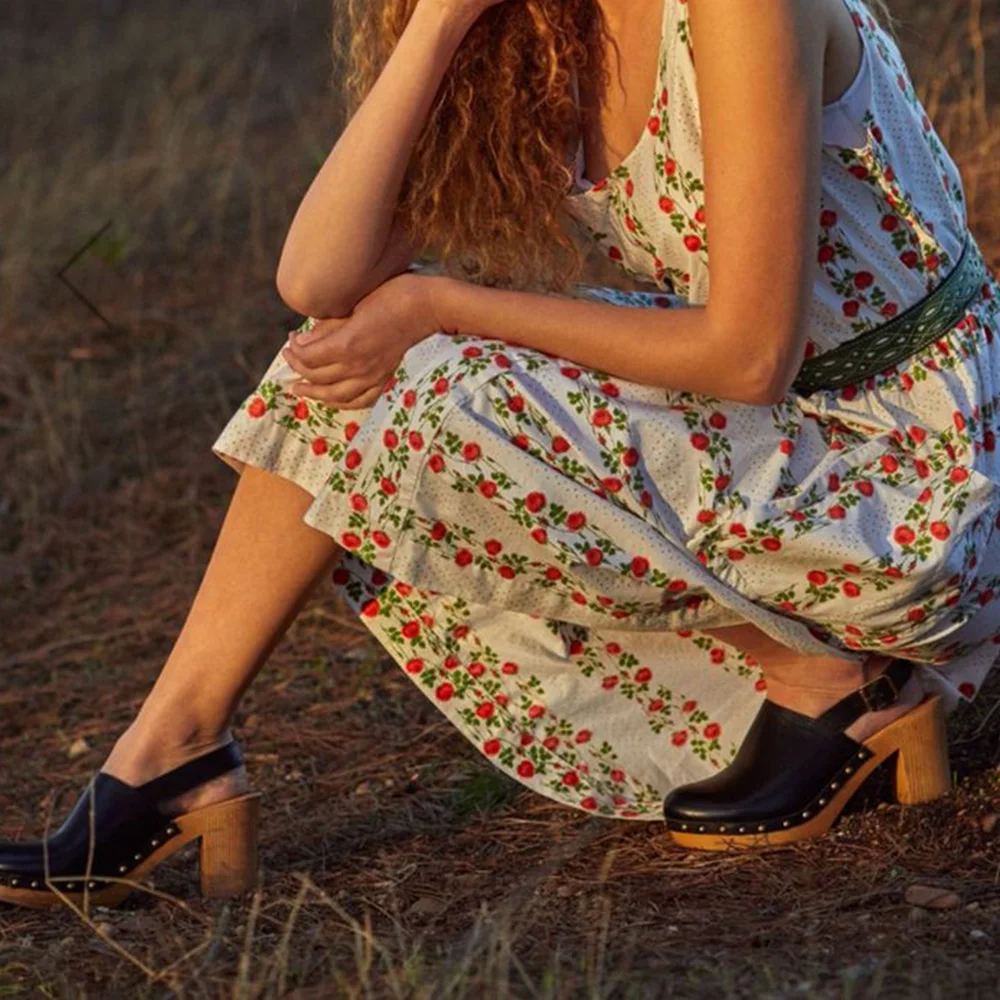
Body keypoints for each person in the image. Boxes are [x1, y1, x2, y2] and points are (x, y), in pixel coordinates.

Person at [3, 0, 999, 907]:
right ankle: (171, 752)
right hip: (787, 437)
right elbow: (317, 279)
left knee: (441, 387)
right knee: (338, 361)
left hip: (910, 465)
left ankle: (831, 676)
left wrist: (442, 303)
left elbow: (747, 354)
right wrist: (441, 24)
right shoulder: (546, 39)